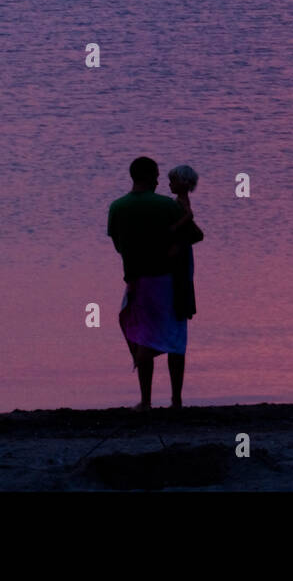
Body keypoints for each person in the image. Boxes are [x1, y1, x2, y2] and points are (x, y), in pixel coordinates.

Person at [108, 157, 184, 410]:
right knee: (176, 337)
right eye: (158, 176)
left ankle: (146, 400)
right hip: (169, 279)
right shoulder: (166, 206)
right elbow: (189, 235)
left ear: (132, 176)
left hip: (137, 279)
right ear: (153, 177)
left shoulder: (117, 207)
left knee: (144, 337)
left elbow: (119, 245)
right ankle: (176, 400)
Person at [165, 163, 203, 407]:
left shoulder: (179, 204)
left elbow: (192, 223)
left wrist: (173, 229)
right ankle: (176, 397)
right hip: (181, 271)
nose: (169, 184)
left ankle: (175, 397)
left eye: (173, 180)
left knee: (175, 327)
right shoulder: (177, 203)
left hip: (179, 272)